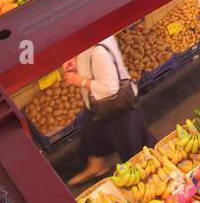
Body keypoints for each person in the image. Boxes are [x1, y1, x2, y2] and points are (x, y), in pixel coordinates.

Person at [64, 35, 152, 186]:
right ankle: (96, 166)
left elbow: (110, 89)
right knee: (91, 135)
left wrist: (80, 81)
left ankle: (145, 182)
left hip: (118, 109)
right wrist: (75, 60)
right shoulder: (92, 40)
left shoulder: (99, 52)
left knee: (135, 154)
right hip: (96, 104)